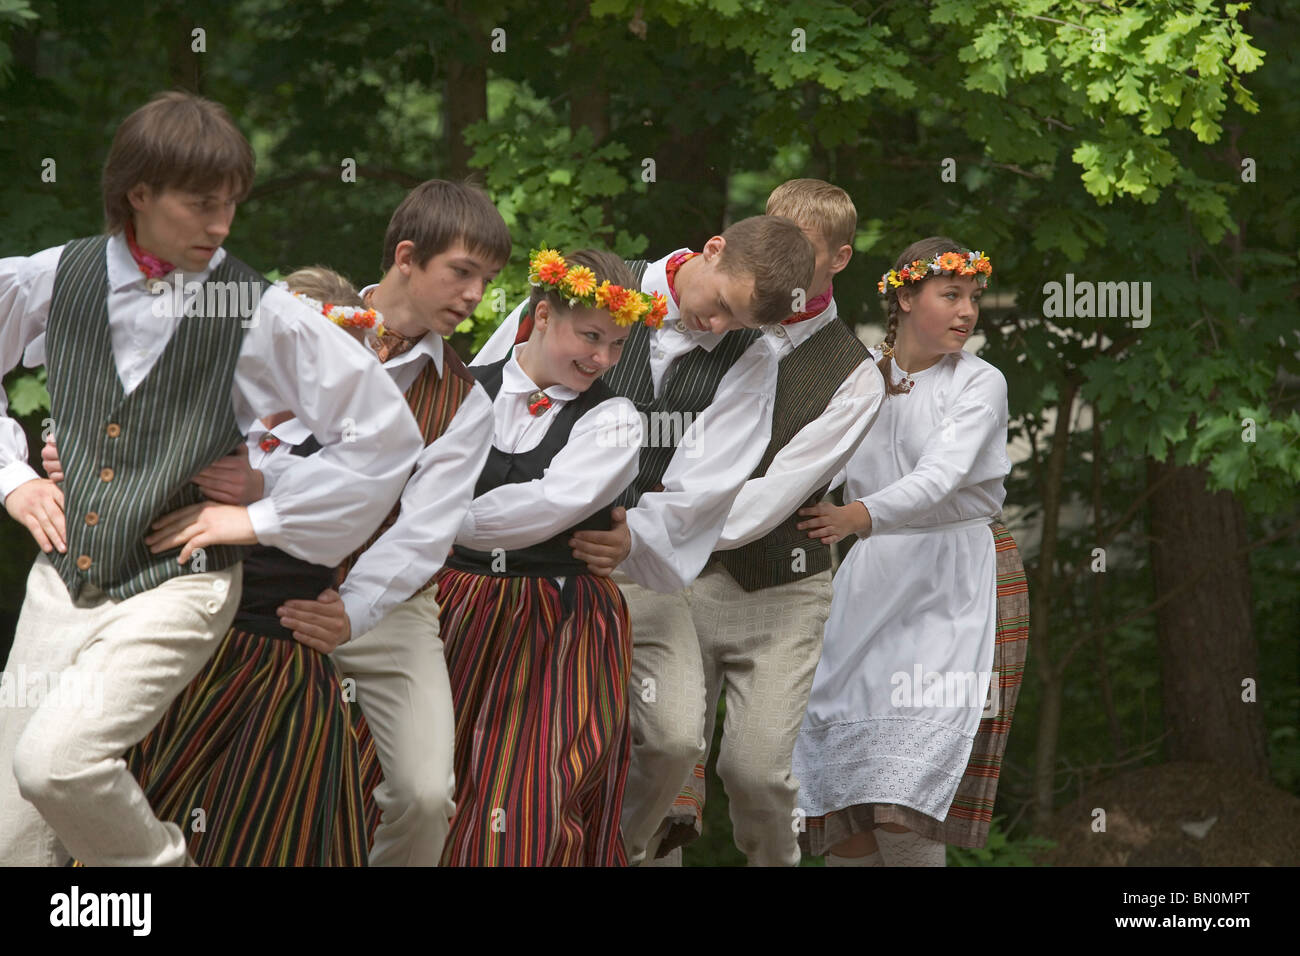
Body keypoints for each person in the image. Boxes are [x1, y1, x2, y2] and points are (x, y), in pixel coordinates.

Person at [0, 92, 422, 867]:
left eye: (231, 205)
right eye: (202, 205)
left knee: (55, 764)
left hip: (178, 583)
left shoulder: (262, 311)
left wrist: (258, 517)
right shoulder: (56, 277)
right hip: (62, 579)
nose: (222, 225)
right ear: (139, 195)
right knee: (11, 842)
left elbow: (384, 438)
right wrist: (13, 477)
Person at [473, 215, 817, 864]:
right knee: (514, 734)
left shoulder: (752, 360)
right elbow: (486, 387)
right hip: (507, 561)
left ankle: (614, 853)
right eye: (720, 306)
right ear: (712, 250)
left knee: (677, 738)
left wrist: (628, 537)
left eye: (738, 323)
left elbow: (702, 492)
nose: (718, 328)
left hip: (633, 562)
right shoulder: (588, 288)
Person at [40, 267, 386, 866]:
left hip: (275, 670)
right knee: (130, 814)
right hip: (176, 650)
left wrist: (259, 485)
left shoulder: (352, 452)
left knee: (260, 834)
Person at [273, 179, 504, 866]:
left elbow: (424, 534)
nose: (474, 296)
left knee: (425, 792)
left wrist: (349, 610)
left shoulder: (466, 401)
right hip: (267, 579)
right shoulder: (302, 329)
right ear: (407, 256)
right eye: (461, 272)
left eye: (487, 280)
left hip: (390, 604)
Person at [655, 179, 886, 865]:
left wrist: (665, 528)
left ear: (839, 259)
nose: (779, 268)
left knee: (755, 776)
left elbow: (776, 493)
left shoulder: (855, 373)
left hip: (779, 593)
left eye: (802, 253)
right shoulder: (716, 317)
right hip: (677, 582)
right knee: (660, 762)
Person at [791, 237, 1029, 866]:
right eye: (951, 295)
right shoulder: (860, 376)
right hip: (869, 582)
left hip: (954, 579)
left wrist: (857, 515)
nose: (967, 312)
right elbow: (805, 456)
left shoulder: (980, 383)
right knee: (845, 803)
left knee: (907, 800)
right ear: (904, 295)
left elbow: (941, 477)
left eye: (972, 297)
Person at [435, 248, 657, 865]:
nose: (602, 359)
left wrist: (431, 519)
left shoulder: (613, 419)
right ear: (540, 316)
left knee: (531, 796)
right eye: (590, 337)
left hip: (559, 622)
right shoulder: (458, 390)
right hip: (449, 607)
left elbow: (545, 506)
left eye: (616, 346)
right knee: (422, 782)